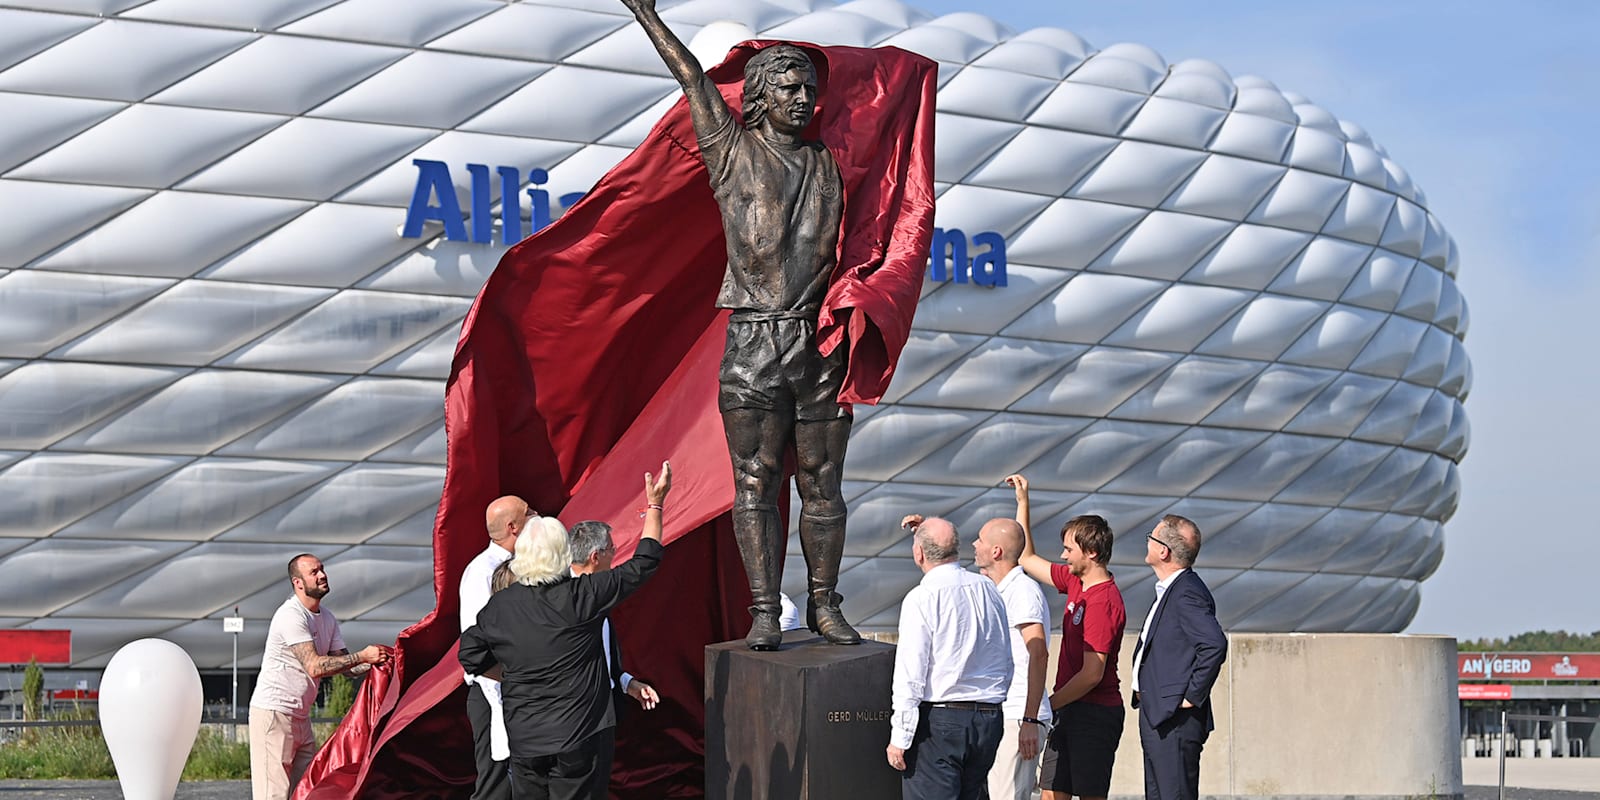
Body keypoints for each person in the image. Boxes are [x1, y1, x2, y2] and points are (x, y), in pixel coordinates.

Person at [621, 0, 859, 649]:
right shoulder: (731, 153)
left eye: (810, 87)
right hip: (754, 341)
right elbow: (694, 81)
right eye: (789, 86)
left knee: (823, 483)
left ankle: (823, 604)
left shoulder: (829, 164)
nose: (804, 98)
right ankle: (762, 609)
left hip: (817, 341)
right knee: (755, 481)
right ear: (759, 95)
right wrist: (647, 17)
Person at [459, 462, 672, 800]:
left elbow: (469, 654)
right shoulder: (580, 596)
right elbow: (644, 563)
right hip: (578, 736)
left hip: (526, 739)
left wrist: (512, 673)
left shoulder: (501, 606)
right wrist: (656, 505)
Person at [1007, 475, 1127, 800]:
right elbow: (1026, 558)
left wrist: (1047, 704)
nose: (1062, 555)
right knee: (1050, 794)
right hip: (1068, 709)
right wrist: (1023, 503)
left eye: (1068, 549)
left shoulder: (1104, 601)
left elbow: (1092, 674)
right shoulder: (1076, 581)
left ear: (1090, 552)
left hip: (1094, 714)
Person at [887, 516, 1013, 800]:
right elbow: (1005, 655)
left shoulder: (923, 597)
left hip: (942, 720)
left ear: (918, 554)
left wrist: (901, 737)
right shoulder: (988, 589)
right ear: (956, 549)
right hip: (988, 717)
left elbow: (911, 672)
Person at [248, 555, 390, 800]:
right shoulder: (291, 615)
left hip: (301, 718)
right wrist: (363, 656)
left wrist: (381, 662)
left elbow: (346, 667)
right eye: (314, 572)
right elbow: (315, 666)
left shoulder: (327, 618)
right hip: (274, 715)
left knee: (306, 791)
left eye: (322, 569)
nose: (322, 575)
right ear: (298, 583)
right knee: (274, 795)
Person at [1129, 515, 1227, 800]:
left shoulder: (1185, 592)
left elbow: (1214, 644)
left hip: (1175, 719)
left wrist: (1190, 696)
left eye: (1151, 536)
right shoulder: (1171, 590)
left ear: (1164, 551)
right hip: (1159, 716)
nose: (1146, 541)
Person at [460, 496, 537, 800]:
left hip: (522, 691)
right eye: (529, 513)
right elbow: (477, 646)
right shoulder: (483, 572)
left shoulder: (526, 564)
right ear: (513, 527)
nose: (537, 515)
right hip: (495, 690)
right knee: (495, 785)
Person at [969, 516, 1051, 800]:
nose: (974, 544)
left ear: (996, 552)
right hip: (1002, 714)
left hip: (1019, 716)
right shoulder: (995, 588)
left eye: (980, 540)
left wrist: (1029, 719)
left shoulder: (1023, 591)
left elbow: (1038, 653)